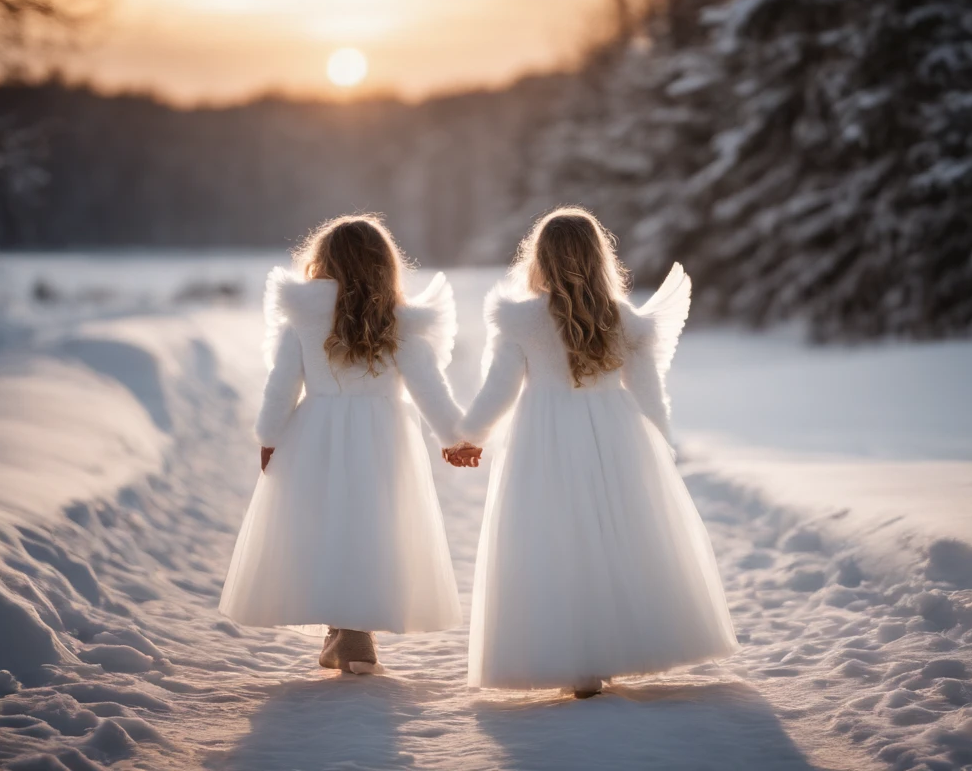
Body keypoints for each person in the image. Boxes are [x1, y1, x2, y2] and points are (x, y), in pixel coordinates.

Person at [450, 206, 737, 697]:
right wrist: (659, 447)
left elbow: (499, 390)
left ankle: (577, 662)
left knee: (556, 538)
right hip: (614, 434)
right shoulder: (624, 320)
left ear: (539, 258)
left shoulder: (520, 320)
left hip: (544, 436)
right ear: (598, 257)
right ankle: (610, 648)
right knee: (612, 537)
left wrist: (468, 436)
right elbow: (648, 395)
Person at [220, 214, 474, 674]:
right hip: (383, 436)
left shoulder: (302, 318)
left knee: (326, 528)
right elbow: (429, 388)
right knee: (370, 528)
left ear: (323, 261)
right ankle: (352, 636)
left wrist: (270, 437)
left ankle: (348, 635)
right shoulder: (401, 323)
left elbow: (282, 386)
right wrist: (455, 439)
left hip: (316, 432)